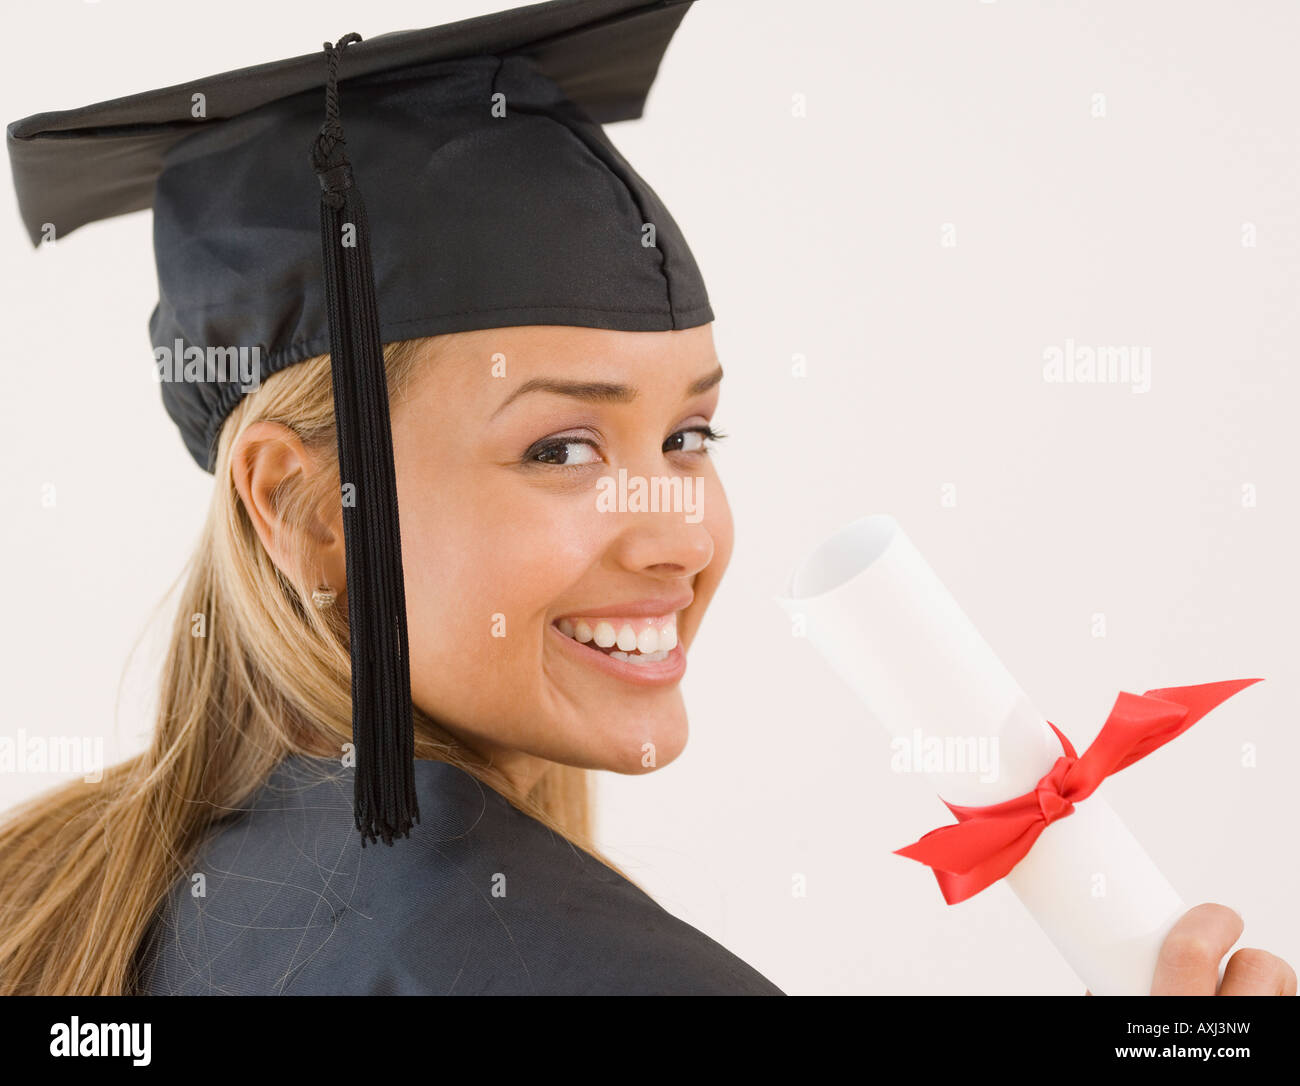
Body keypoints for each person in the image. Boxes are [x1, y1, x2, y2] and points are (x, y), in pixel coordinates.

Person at [0, 0, 1292, 997]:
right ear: (309, 509)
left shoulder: (91, 903)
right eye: (562, 446)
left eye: (689, 430)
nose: (680, 530)